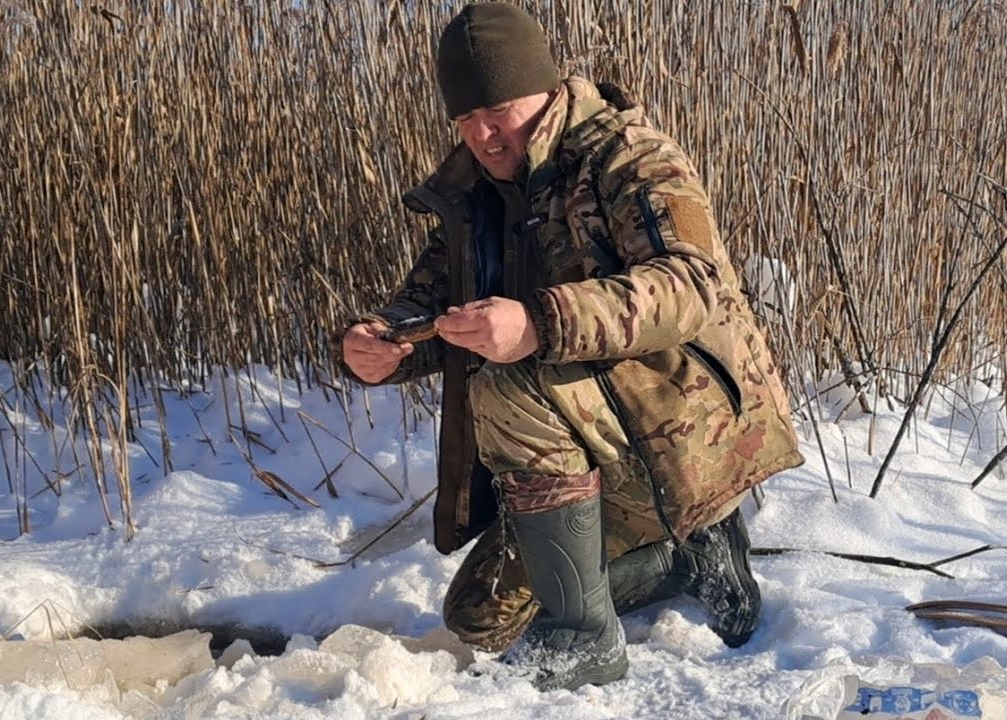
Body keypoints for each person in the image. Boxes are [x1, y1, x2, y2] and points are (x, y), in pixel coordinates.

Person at [338, 2, 803, 691]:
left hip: (680, 430)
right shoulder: (476, 191)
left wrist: (538, 323)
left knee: (503, 383)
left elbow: (691, 286)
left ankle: (585, 641)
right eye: (465, 118)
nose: (484, 133)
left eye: (499, 108)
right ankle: (683, 558)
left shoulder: (628, 156)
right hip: (582, 439)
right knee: (479, 619)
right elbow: (435, 307)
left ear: (547, 88)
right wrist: (385, 343)